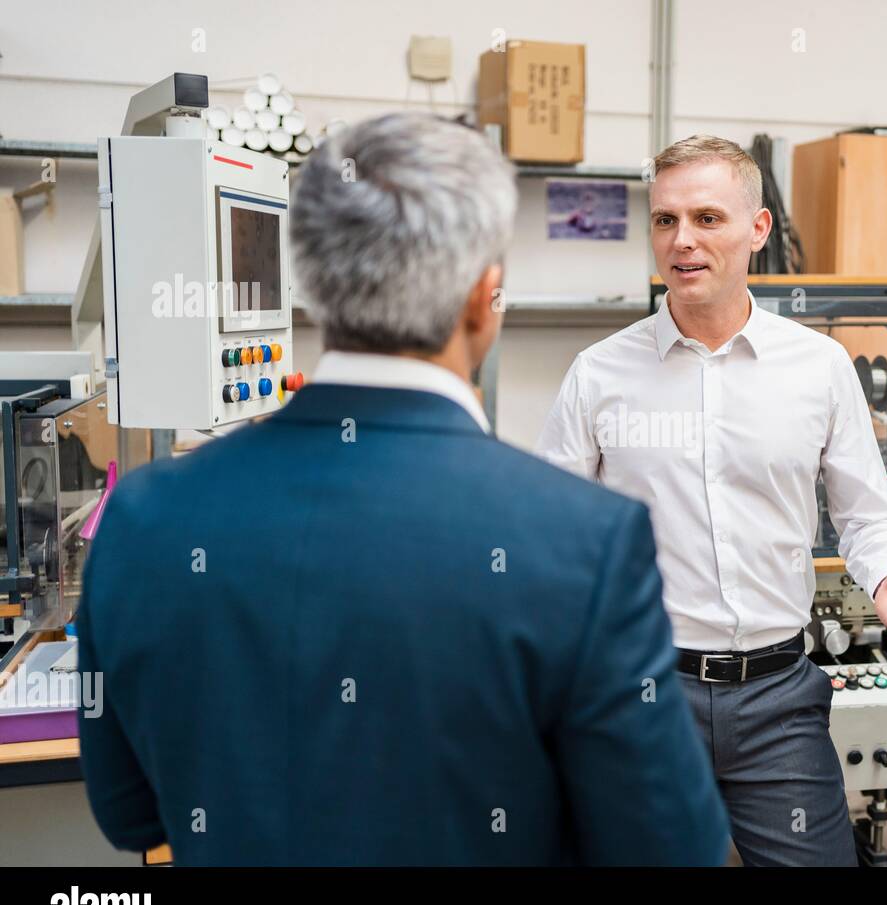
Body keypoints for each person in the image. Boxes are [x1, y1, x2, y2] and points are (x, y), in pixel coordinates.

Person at [76, 114, 729, 866]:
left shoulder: (144, 519)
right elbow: (670, 847)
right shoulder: (586, 541)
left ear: (315, 289)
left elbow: (128, 815)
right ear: (488, 297)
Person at [537, 135, 887, 866]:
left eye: (708, 218)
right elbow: (554, 534)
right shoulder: (598, 375)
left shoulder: (818, 367)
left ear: (758, 230)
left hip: (779, 701)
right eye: (665, 220)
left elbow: (866, 513)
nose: (683, 241)